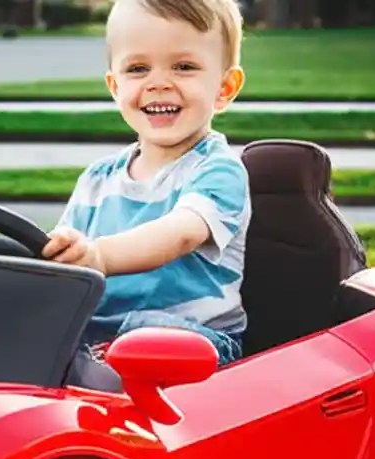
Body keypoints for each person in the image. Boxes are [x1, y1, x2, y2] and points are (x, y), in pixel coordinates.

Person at [43, 0, 251, 390]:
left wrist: (99, 256)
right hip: (98, 337)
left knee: (140, 332)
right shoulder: (96, 179)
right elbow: (66, 261)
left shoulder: (219, 170)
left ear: (224, 88)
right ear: (115, 86)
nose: (158, 83)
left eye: (183, 67)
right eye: (138, 69)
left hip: (197, 345)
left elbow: (180, 233)